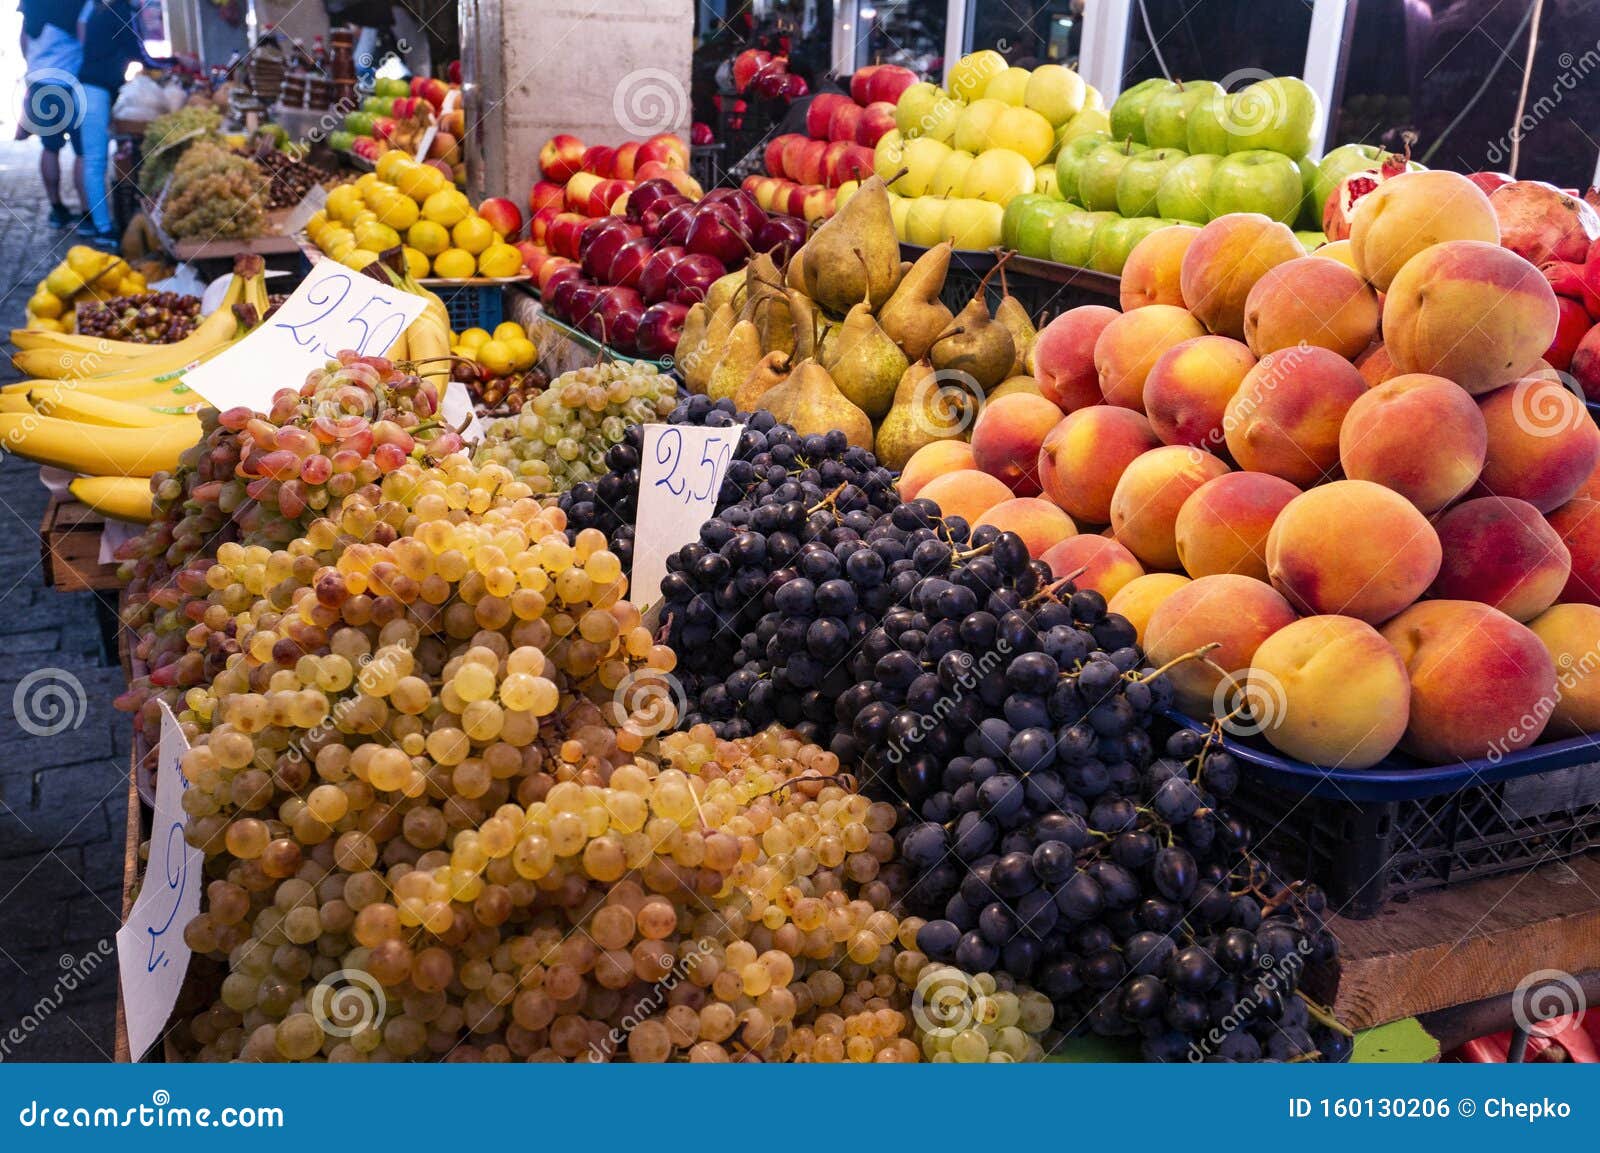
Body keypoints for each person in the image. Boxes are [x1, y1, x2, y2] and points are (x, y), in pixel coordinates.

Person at [75, 0, 148, 245]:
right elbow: (135, 50)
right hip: (93, 90)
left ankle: (103, 225)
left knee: (95, 161)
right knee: (95, 161)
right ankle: (103, 228)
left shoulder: (104, 8)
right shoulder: (119, 9)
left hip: (96, 89)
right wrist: (173, 62)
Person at [18, 0, 86, 227]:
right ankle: (88, 214)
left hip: (39, 83)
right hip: (70, 82)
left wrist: (33, 66)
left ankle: (57, 209)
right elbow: (84, 36)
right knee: (82, 151)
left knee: (49, 147)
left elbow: (24, 38)